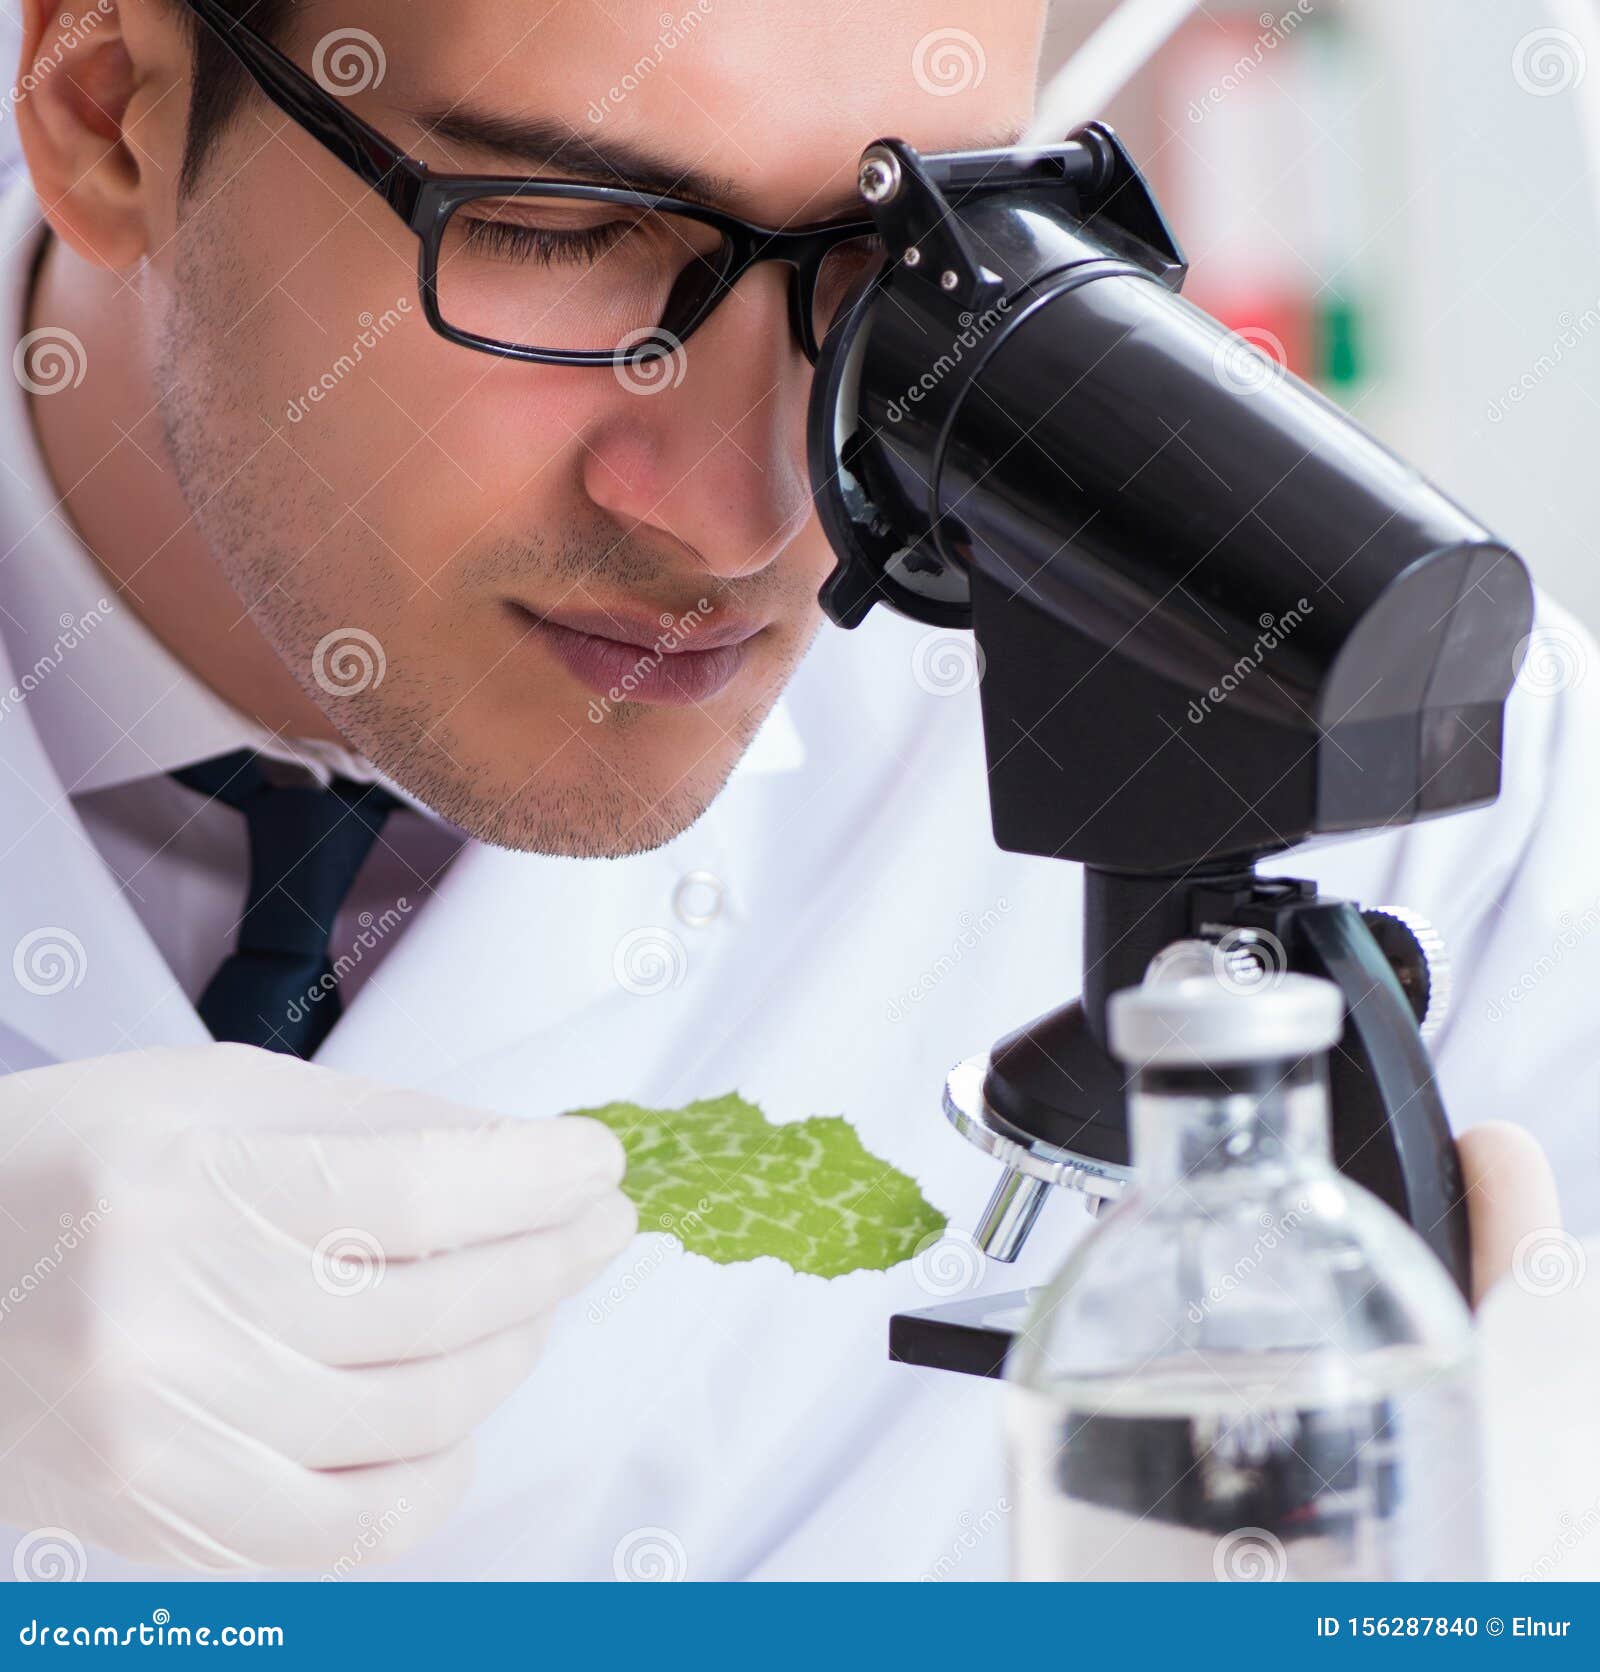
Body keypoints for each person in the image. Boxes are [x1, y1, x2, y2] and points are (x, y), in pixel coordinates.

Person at [0, 0, 1592, 1582]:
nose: (748, 518)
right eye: (560, 234)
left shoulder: (1356, 709)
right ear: (103, 108)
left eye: (893, 272)